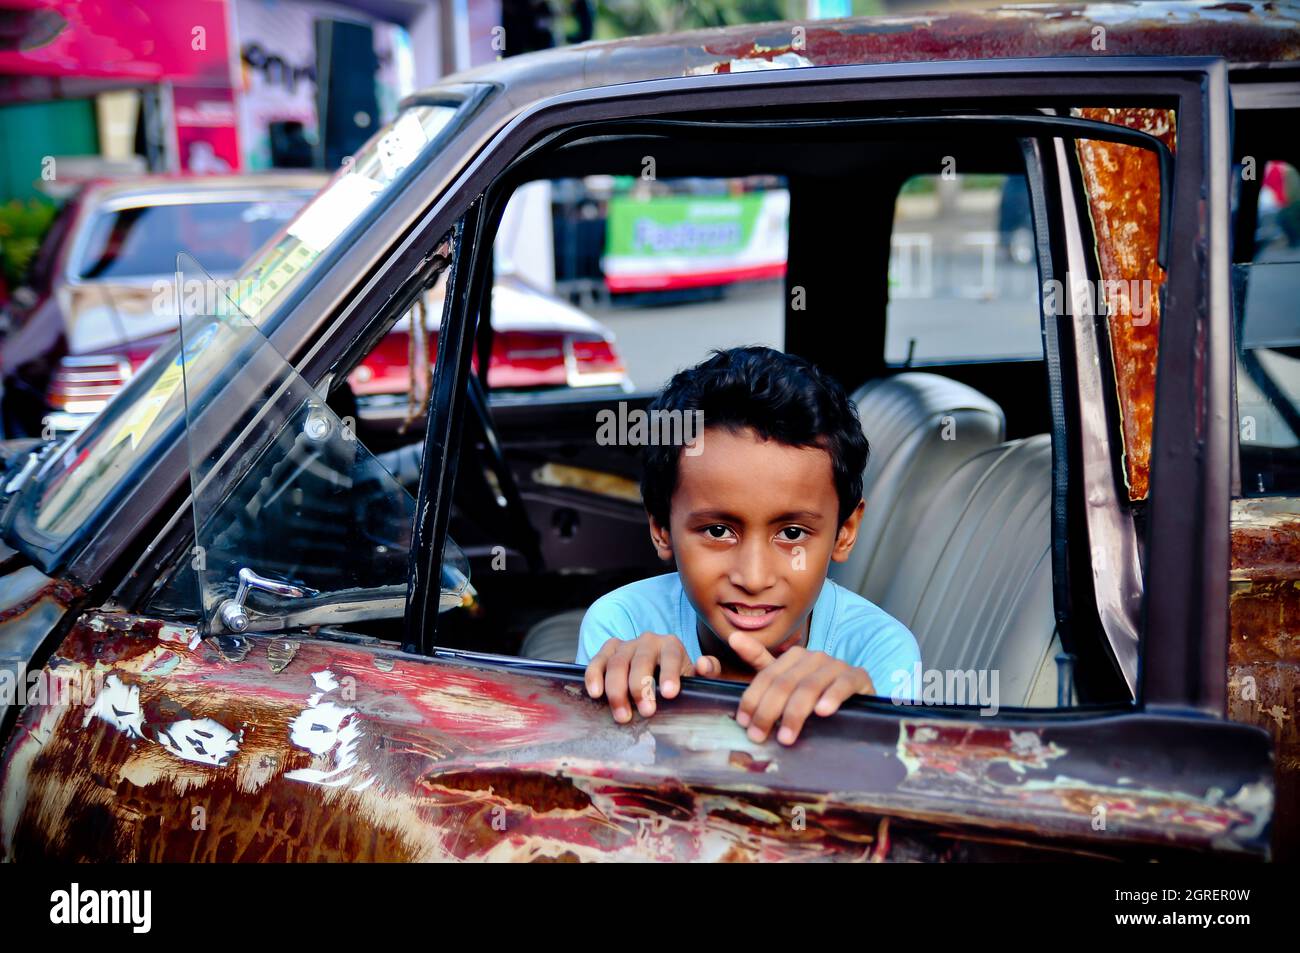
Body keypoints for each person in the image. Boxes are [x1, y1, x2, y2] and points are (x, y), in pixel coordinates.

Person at [579, 346, 920, 745]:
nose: (754, 578)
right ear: (661, 528)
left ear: (844, 531)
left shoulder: (878, 653)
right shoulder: (622, 625)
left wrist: (861, 725)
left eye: (792, 533)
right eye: (719, 531)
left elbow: (882, 795)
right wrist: (649, 710)